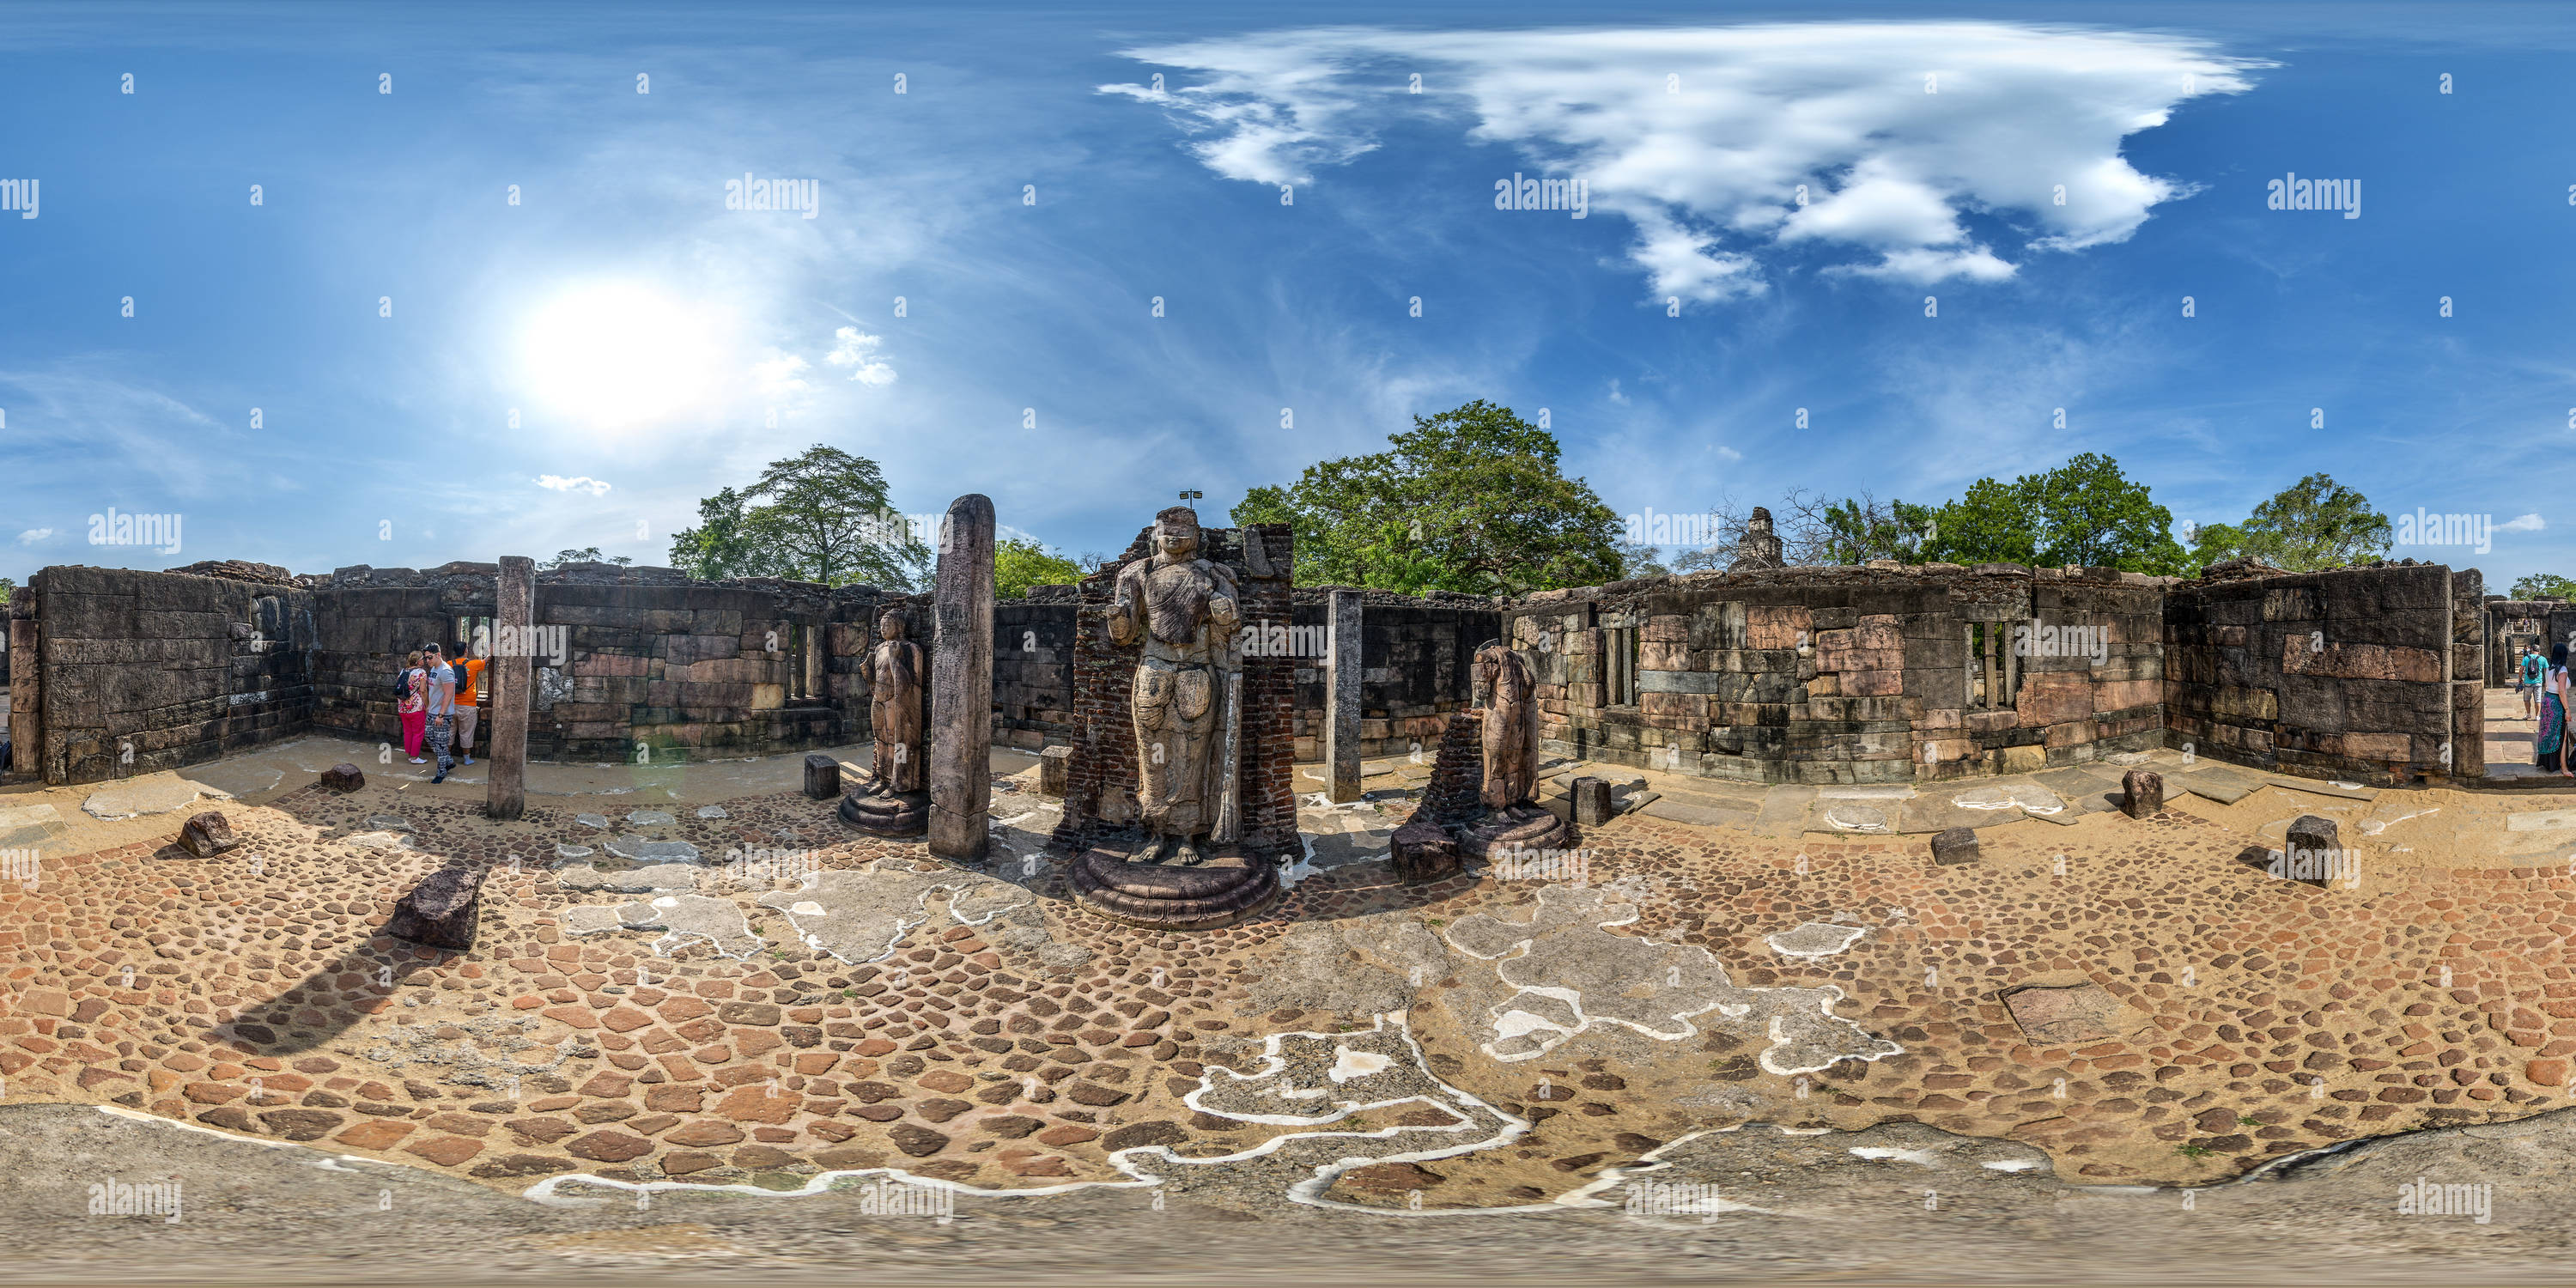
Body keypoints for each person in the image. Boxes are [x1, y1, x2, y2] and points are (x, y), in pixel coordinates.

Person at [420, 642, 456, 784]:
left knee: (441, 744)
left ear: (438, 655)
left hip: (442, 714)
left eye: (429, 657)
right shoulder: (435, 669)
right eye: (426, 658)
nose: (427, 660)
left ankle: (441, 772)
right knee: (429, 736)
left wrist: (441, 715)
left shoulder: (446, 671)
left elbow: (449, 694)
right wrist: (429, 707)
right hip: (432, 711)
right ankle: (448, 761)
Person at [449, 639, 485, 767]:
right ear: (465, 651)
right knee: (466, 733)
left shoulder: (448, 665)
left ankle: (446, 758)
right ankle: (467, 759)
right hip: (468, 705)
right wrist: (491, 652)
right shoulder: (473, 664)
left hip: (450, 705)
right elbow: (486, 661)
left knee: (449, 733)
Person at [2543, 643, 2572, 777]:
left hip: (2547, 701)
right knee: (2563, 735)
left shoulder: (2550, 668)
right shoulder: (2562, 669)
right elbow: (2561, 690)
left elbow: (2547, 686)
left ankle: (2550, 763)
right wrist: (2567, 709)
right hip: (2556, 703)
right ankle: (2564, 768)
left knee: (2550, 733)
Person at [398, 649, 427, 763]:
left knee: (408, 731)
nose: (424, 661)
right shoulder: (421, 672)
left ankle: (410, 754)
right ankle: (414, 757)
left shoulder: (403, 671)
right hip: (416, 707)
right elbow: (423, 691)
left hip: (402, 707)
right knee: (418, 732)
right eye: (422, 659)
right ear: (418, 661)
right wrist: (427, 705)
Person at [2523, 644, 2546, 719]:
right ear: (2539, 651)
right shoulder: (2543, 659)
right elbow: (2546, 671)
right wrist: (2546, 682)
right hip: (2538, 682)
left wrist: (2520, 679)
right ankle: (2537, 716)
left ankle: (2528, 714)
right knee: (2538, 700)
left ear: (2532, 650)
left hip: (2528, 682)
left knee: (2527, 699)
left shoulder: (2526, 658)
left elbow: (2521, 669)